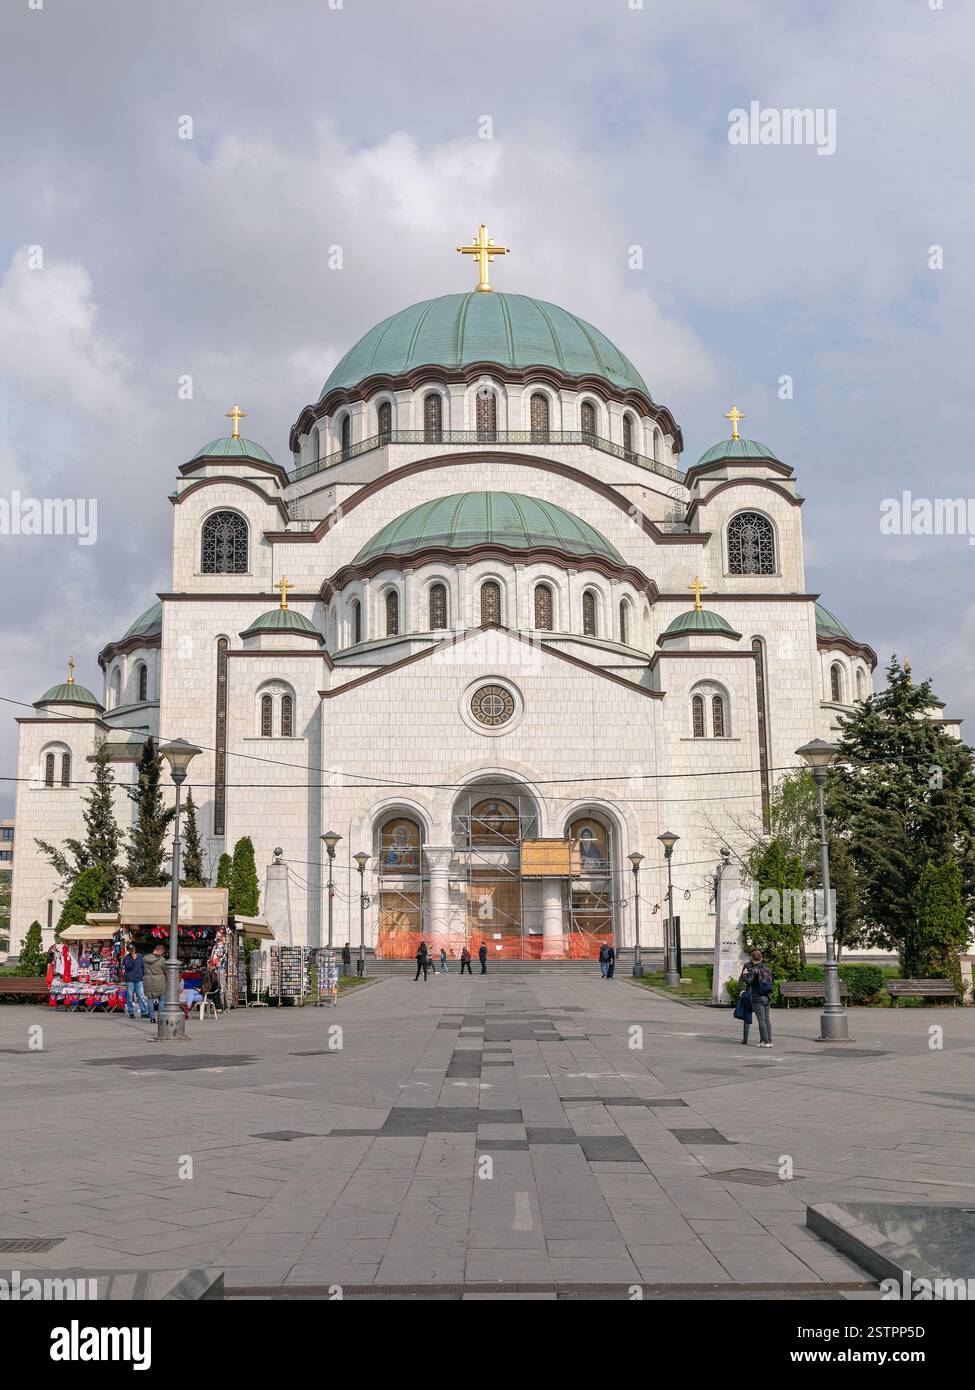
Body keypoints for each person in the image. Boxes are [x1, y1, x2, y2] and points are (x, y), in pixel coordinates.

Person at [739, 950, 774, 1047]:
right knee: (767, 1019)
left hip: (757, 997)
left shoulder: (753, 969)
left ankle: (765, 1042)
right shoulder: (767, 968)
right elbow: (772, 981)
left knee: (761, 1020)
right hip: (767, 996)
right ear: (761, 958)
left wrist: (745, 975)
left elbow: (749, 982)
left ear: (752, 958)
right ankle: (769, 1041)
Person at [122, 946, 151, 1020]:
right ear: (128, 950)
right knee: (129, 996)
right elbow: (128, 967)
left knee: (141, 996)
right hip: (130, 979)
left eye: (133, 949)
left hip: (138, 979)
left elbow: (143, 966)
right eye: (130, 949)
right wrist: (133, 960)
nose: (132, 950)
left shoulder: (140, 956)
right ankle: (131, 1012)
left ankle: (144, 1012)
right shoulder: (126, 958)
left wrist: (144, 975)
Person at [142, 943, 167, 1022]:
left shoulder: (145, 958)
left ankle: (152, 1018)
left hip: (148, 981)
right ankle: (160, 1018)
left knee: (150, 999)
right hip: (159, 981)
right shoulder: (162, 960)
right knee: (162, 999)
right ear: (161, 952)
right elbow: (165, 970)